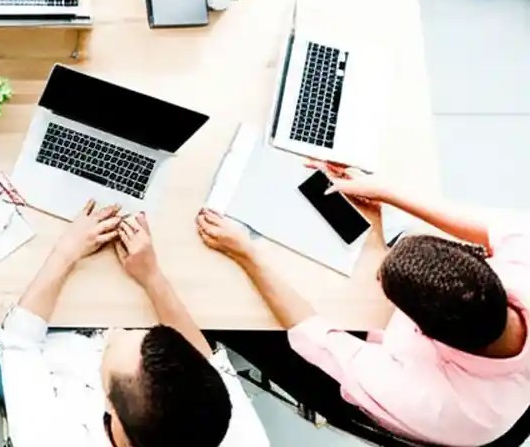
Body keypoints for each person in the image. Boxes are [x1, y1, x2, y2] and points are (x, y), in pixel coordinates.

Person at [197, 160, 530, 447]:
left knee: (221, 309)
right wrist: (384, 191)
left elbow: (315, 335)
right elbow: (492, 228)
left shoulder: (437, 402)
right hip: (423, 351)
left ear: (419, 330)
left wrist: (247, 254)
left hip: (370, 375)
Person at [0, 201, 268, 446]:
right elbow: (204, 358)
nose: (120, 328)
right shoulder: (237, 434)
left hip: (47, 355)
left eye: (117, 340)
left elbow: (19, 341)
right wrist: (151, 276)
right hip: (94, 336)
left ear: (109, 405)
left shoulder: (51, 439)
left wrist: (67, 251)